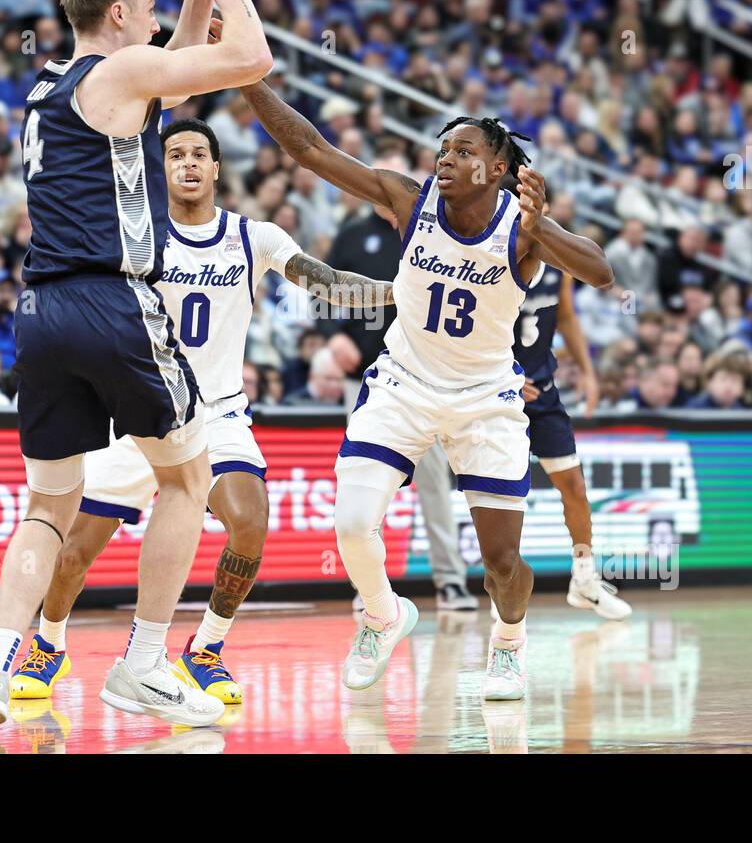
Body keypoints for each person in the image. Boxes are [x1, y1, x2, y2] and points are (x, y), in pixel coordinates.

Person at [0, 0, 275, 732]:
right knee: (187, 480)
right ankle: (145, 663)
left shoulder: (53, 85)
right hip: (114, 299)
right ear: (119, 16)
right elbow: (250, 58)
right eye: (153, 6)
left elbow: (178, 81)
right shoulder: (118, 72)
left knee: (49, 507)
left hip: (42, 312)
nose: (160, 19)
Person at [241, 72, 613, 702]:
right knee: (353, 523)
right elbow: (309, 149)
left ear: (497, 168)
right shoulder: (409, 200)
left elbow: (601, 271)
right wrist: (248, 81)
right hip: (403, 384)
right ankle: (384, 616)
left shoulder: (521, 229)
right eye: (444, 148)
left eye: (465, 151)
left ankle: (508, 644)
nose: (447, 157)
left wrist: (543, 225)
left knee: (501, 566)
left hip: (486, 399)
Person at [10, 118, 392, 706]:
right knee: (75, 552)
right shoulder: (132, 235)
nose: (187, 163)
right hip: (136, 412)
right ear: (158, 170)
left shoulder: (253, 236)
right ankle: (50, 643)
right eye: (174, 154)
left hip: (216, 413)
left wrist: (400, 290)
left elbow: (330, 283)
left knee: (250, 519)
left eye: (198, 154)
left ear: (216, 168)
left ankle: (205, 649)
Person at [517, 262, 632, 620]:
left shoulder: (558, 265)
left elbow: (565, 317)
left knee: (574, 487)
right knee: (506, 498)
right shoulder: (491, 258)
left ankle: (583, 579)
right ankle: (502, 595)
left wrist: (587, 372)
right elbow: (470, 331)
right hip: (497, 397)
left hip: (545, 395)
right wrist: (503, 375)